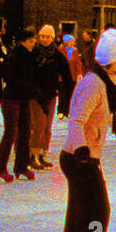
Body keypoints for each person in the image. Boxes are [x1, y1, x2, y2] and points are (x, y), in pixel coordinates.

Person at [57, 28, 116, 232]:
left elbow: (106, 118)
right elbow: (76, 119)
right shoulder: (94, 83)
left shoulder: (105, 79)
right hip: (81, 159)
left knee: (80, 214)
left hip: (80, 157)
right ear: (113, 58)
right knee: (98, 214)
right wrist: (82, 152)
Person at [0, 28, 38, 181]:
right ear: (23, 42)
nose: (33, 44)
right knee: (11, 133)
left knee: (25, 132)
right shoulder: (13, 57)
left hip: (24, 98)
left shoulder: (30, 57)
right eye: (31, 41)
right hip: (11, 99)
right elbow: (10, 78)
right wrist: (31, 89)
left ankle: (21, 166)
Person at [30, 25, 68, 170]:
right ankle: (33, 154)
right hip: (36, 95)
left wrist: (66, 90)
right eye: (43, 36)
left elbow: (65, 73)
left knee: (47, 126)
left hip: (51, 94)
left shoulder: (56, 55)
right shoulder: (33, 52)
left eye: (48, 37)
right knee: (38, 124)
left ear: (52, 38)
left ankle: (42, 154)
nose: (45, 39)